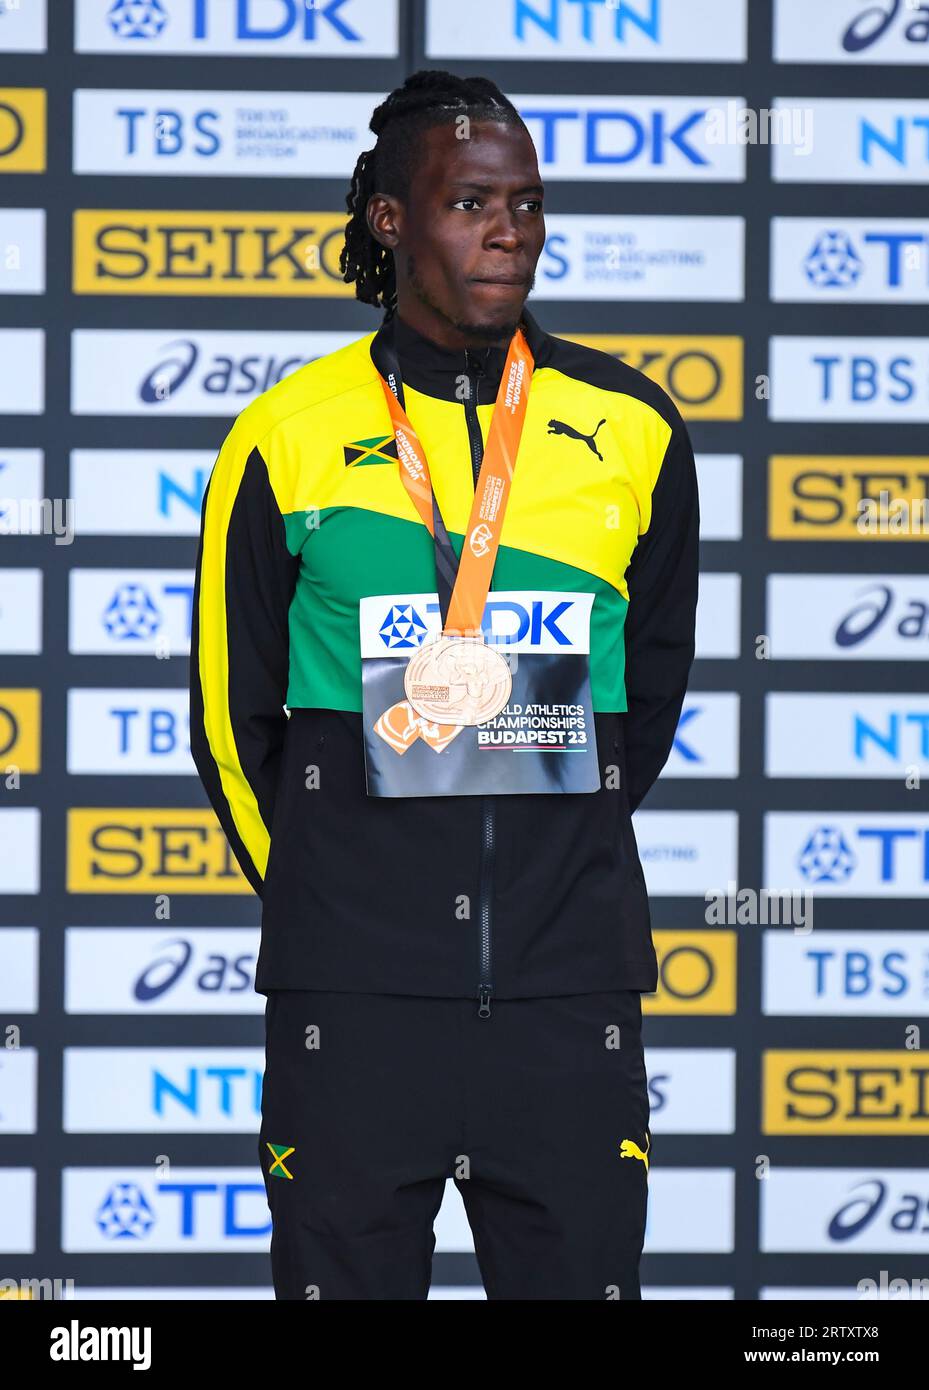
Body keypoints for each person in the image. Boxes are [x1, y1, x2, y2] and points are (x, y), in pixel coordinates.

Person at [190, 69, 699, 1300]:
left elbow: (649, 698)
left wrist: (544, 868)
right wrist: (340, 895)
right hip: (353, 1007)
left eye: (526, 203)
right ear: (387, 221)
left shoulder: (631, 427)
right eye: (471, 201)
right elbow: (227, 712)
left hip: (566, 996)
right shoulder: (285, 432)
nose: (508, 229)